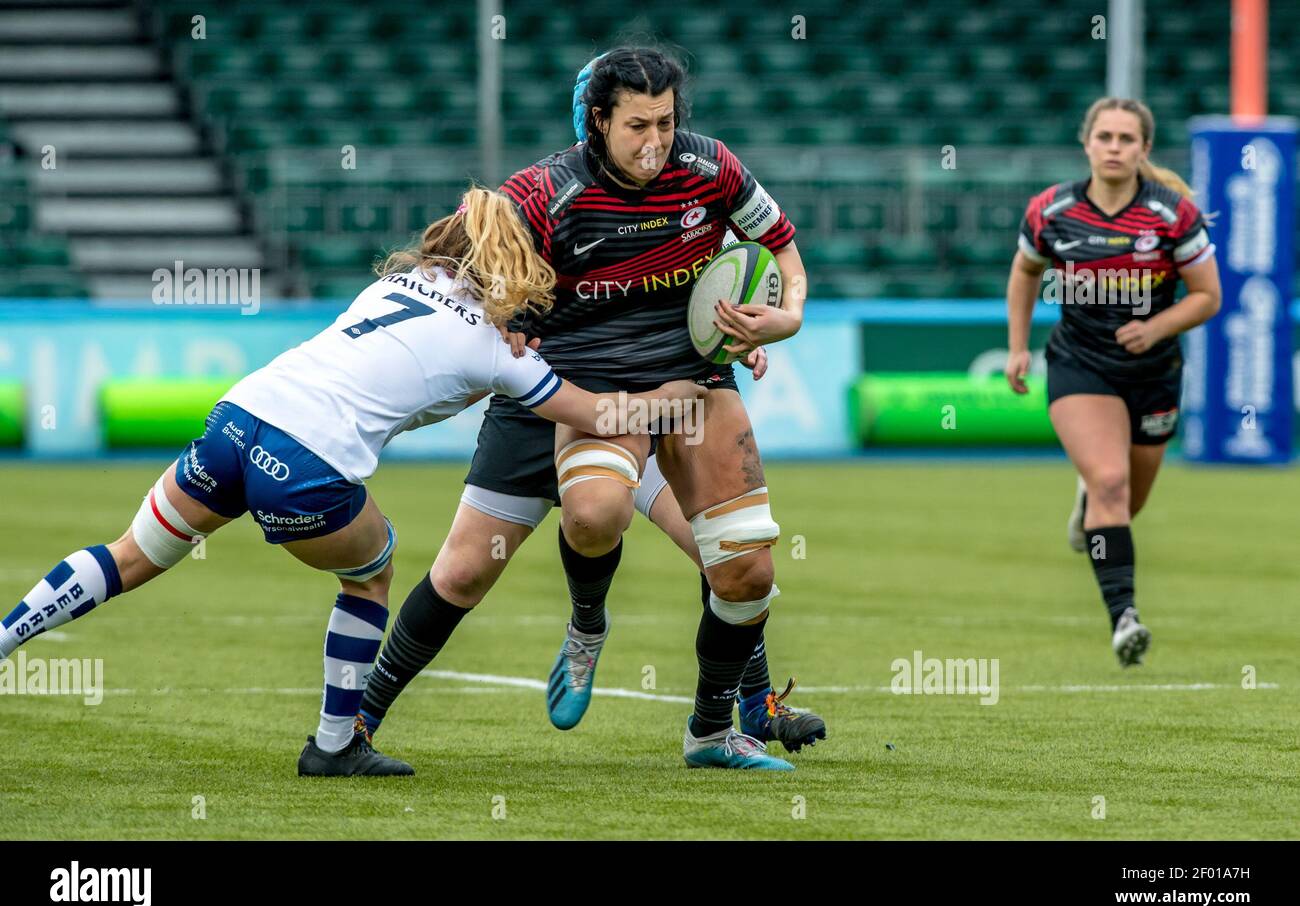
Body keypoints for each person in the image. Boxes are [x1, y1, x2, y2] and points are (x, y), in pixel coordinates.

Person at [0, 187, 702, 776]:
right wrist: (675, 395)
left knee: (129, 553)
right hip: (307, 463)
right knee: (374, 568)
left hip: (239, 418)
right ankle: (335, 744)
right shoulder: (499, 350)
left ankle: (5, 638)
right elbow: (598, 413)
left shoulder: (397, 283)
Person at [360, 47, 826, 770]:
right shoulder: (543, 193)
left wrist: (776, 319)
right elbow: (460, 251)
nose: (656, 141)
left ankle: (735, 716)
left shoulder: (710, 170)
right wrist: (491, 317)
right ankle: (363, 722)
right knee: (465, 571)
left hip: (676, 392)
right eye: (638, 124)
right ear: (596, 122)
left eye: (667, 124)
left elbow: (778, 249)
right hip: (561, 395)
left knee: (737, 562)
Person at [1004, 97, 1221, 666]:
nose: (1115, 148)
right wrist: (1018, 347)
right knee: (1109, 484)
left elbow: (1207, 296)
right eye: (1105, 137)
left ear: (1144, 148)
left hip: (1154, 374)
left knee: (1127, 500)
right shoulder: (1051, 210)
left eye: (1127, 139)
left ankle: (1091, 502)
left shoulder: (1172, 215)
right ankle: (1124, 617)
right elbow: (1025, 272)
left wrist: (1157, 328)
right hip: (1081, 364)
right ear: (1087, 144)